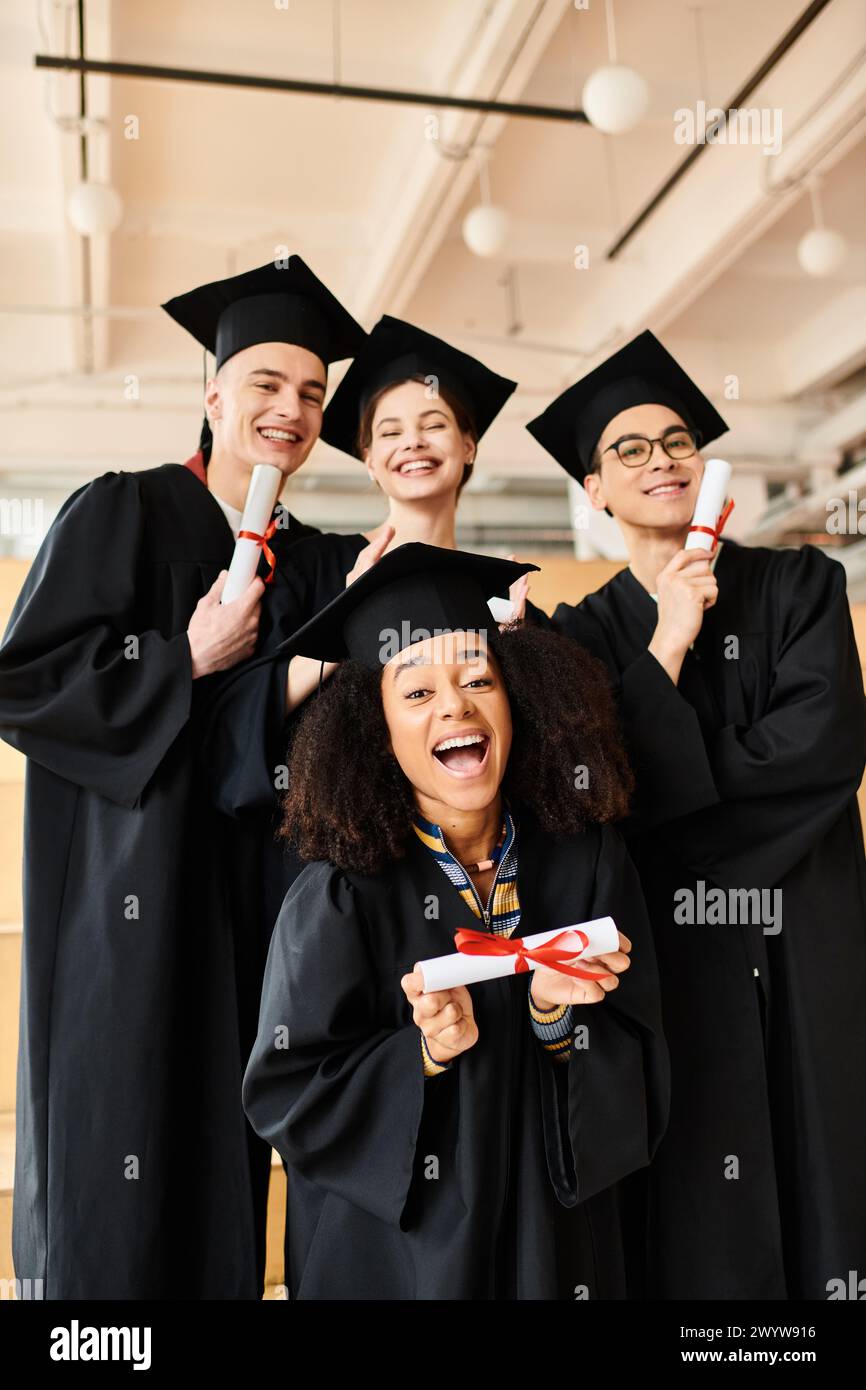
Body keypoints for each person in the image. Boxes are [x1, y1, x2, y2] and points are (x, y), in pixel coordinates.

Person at [0, 255, 364, 1298]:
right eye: (265, 384)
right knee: (121, 1167)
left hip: (253, 923)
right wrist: (181, 659)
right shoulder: (126, 512)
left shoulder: (307, 566)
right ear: (212, 395)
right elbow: (22, 684)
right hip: (131, 916)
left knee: (221, 1174)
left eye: (309, 393)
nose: (289, 409)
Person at [526, 329, 866, 1300]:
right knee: (701, 1234)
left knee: (829, 1194)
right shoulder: (576, 638)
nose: (658, 459)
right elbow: (586, 799)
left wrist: (656, 809)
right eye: (626, 449)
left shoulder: (798, 588)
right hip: (672, 971)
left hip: (807, 946)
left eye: (673, 439)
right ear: (592, 490)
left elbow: (818, 756)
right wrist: (666, 645)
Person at [241, 543, 670, 1299]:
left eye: (479, 680)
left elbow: (649, 1065)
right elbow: (288, 1090)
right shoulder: (340, 895)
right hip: (394, 1261)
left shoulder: (587, 863)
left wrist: (555, 1022)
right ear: (374, 729)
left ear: (521, 700)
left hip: (552, 1244)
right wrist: (422, 1056)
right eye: (416, 694)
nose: (455, 706)